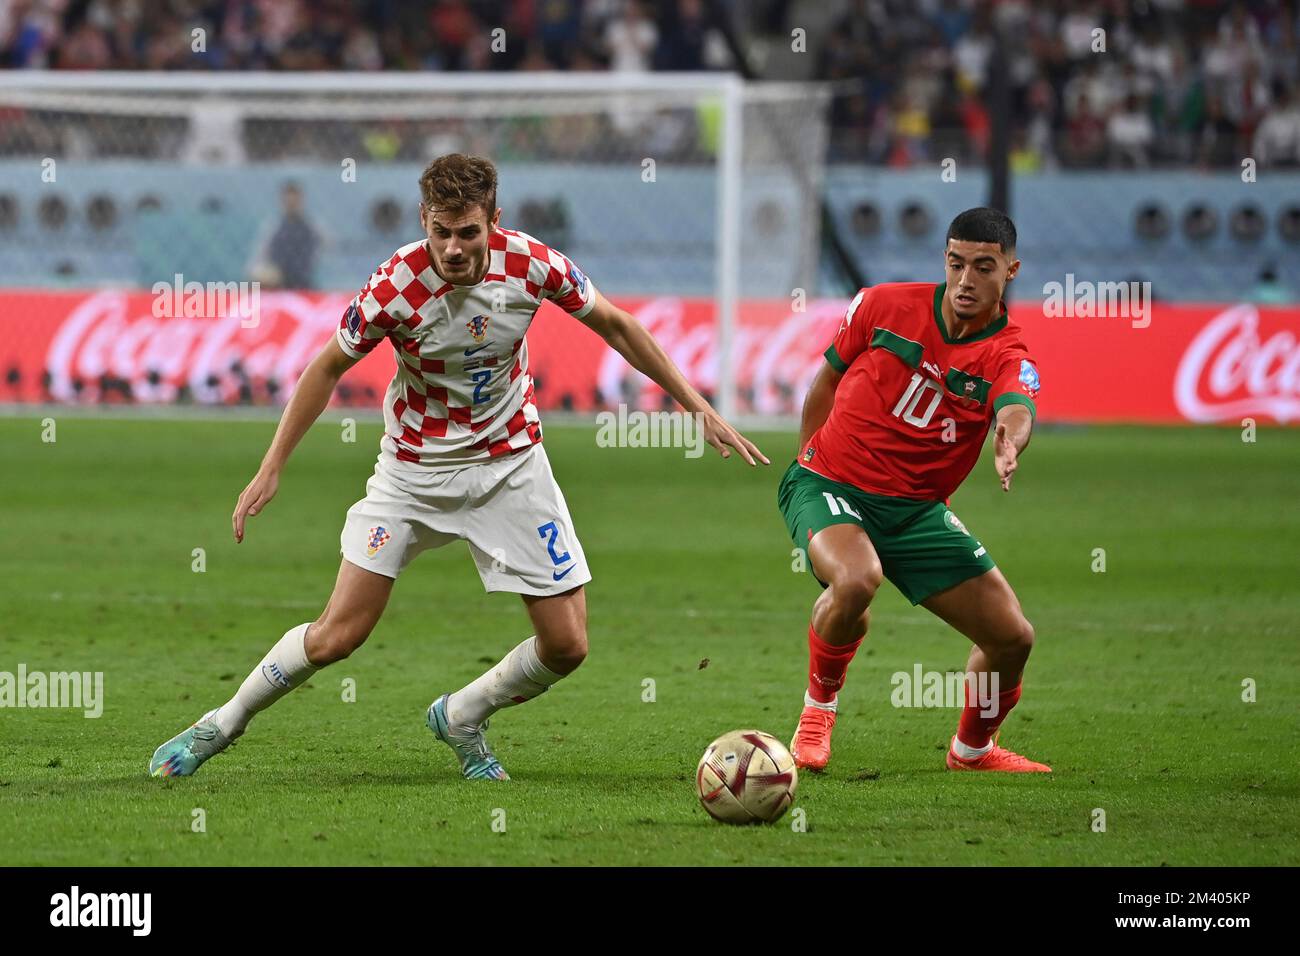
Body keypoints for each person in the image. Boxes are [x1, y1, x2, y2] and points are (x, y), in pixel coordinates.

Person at [151, 153, 767, 781]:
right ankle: (220, 724)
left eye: (467, 232)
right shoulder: (396, 284)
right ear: (424, 221)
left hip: (510, 466)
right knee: (338, 635)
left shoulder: (531, 264)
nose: (451, 248)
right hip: (412, 474)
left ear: (493, 222)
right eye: (439, 232)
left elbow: (617, 325)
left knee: (567, 645)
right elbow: (327, 367)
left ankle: (462, 714)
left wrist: (698, 408)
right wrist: (271, 465)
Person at [778, 207, 1050, 774]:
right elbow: (827, 378)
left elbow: (1017, 404)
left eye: (983, 267)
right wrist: (807, 464)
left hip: (916, 514)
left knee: (1011, 638)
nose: (966, 280)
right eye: (956, 264)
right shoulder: (881, 305)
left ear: (1011, 271)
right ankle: (816, 714)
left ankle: (972, 752)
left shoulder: (1008, 353)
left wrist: (1010, 438)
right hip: (831, 484)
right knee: (857, 579)